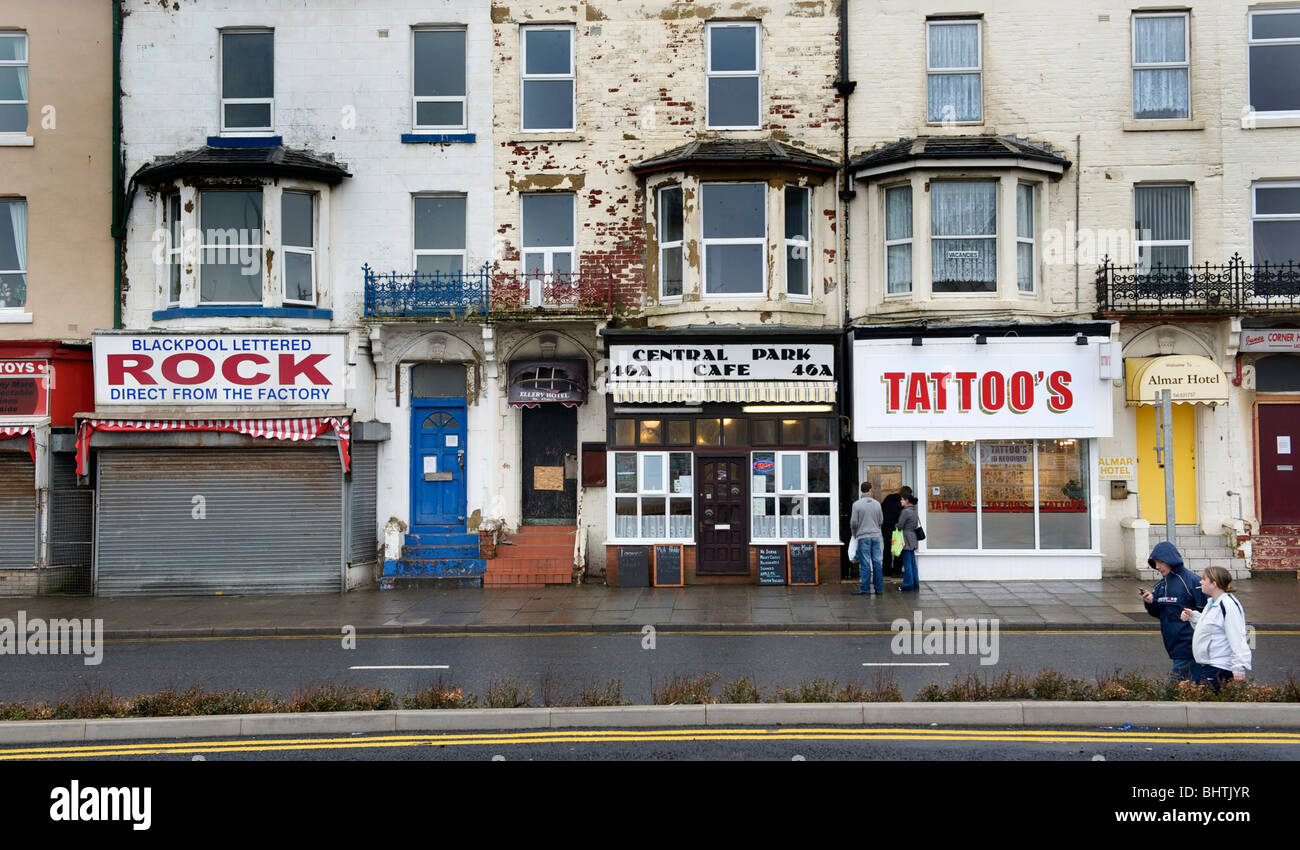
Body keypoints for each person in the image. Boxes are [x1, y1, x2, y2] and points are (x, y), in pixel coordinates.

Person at [1139, 541, 1207, 681]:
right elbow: (1159, 613)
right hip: (1174, 646)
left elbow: (1207, 614)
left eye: (1160, 562)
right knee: (1193, 689)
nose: (1157, 567)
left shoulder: (1193, 582)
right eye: (1155, 563)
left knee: (1174, 691)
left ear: (1170, 560)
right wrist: (1151, 602)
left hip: (1189, 647)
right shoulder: (1160, 585)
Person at [1180, 566, 1251, 691]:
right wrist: (1194, 616)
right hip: (1210, 666)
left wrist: (1238, 667)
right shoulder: (1212, 602)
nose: (1200, 582)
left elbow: (1237, 637)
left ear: (1214, 583)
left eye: (1203, 579)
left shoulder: (1228, 605)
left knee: (1207, 707)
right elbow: (1210, 628)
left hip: (1219, 667)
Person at [849, 481, 884, 595]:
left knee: (865, 563)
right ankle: (879, 589)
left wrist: (855, 534)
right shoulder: (877, 504)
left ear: (861, 490)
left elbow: (853, 522)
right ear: (870, 490)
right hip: (875, 536)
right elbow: (881, 521)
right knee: (877, 562)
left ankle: (865, 589)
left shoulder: (857, 505)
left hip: (863, 536)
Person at [880, 485, 910, 577]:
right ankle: (897, 571)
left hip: (885, 527)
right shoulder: (901, 502)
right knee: (898, 549)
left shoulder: (889, 497)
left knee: (887, 549)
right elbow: (901, 516)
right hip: (895, 528)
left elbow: (881, 509)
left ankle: (886, 570)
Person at [896, 491, 920, 592]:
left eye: (902, 499)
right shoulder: (914, 511)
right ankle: (915, 584)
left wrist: (895, 525)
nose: (901, 501)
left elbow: (900, 525)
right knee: (912, 563)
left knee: (907, 563)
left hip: (906, 538)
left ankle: (907, 585)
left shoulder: (905, 511)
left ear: (907, 500)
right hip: (913, 537)